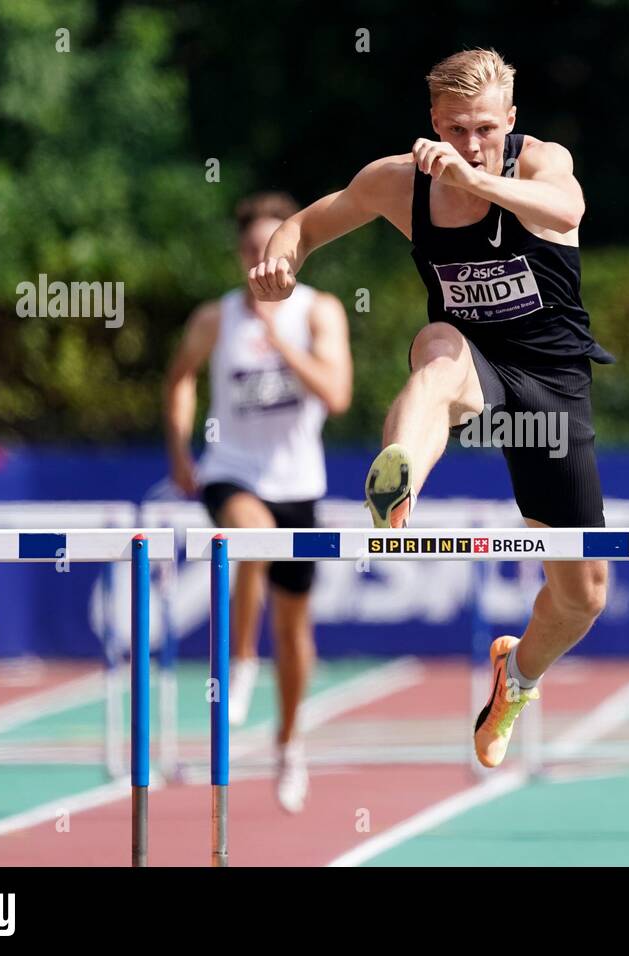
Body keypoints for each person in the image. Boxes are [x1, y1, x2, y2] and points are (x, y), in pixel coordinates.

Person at [247, 49, 613, 769]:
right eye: (454, 129)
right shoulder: (398, 181)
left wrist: (478, 180)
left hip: (552, 381)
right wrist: (280, 262)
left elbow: (568, 208)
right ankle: (397, 483)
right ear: (433, 122)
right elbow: (306, 225)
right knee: (438, 354)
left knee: (583, 597)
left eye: (484, 128)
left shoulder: (540, 163)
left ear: (510, 120)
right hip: (469, 357)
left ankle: (517, 677)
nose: (469, 143)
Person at [164, 192, 352, 812]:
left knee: (296, 633)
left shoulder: (319, 312)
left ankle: (290, 743)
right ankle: (240, 658)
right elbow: (180, 377)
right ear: (240, 255)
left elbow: (338, 395)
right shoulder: (216, 318)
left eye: (272, 249)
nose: (260, 260)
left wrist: (281, 342)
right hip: (232, 472)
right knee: (251, 537)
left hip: (300, 482)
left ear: (291, 253)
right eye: (249, 250)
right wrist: (181, 452)